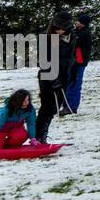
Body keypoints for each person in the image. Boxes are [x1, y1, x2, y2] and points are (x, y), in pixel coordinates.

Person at [36, 12, 75, 144]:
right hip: (48, 76)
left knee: (54, 108)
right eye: (56, 28)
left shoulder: (71, 36)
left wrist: (72, 73)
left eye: (62, 29)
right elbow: (43, 61)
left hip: (63, 75)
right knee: (46, 107)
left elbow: (70, 56)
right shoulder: (44, 37)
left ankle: (43, 134)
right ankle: (39, 136)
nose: (59, 31)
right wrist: (53, 79)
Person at [0, 90, 39, 154]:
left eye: (27, 100)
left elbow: (31, 123)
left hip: (16, 127)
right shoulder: (5, 110)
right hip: (1, 129)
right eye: (23, 101)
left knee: (21, 136)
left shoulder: (29, 109)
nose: (26, 103)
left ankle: (4, 144)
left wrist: (33, 138)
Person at [65, 12, 92, 113]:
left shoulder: (84, 34)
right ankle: (67, 104)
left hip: (79, 63)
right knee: (69, 83)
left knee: (74, 84)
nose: (76, 23)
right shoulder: (76, 32)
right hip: (73, 62)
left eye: (79, 22)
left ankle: (71, 106)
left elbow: (73, 42)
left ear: (83, 24)